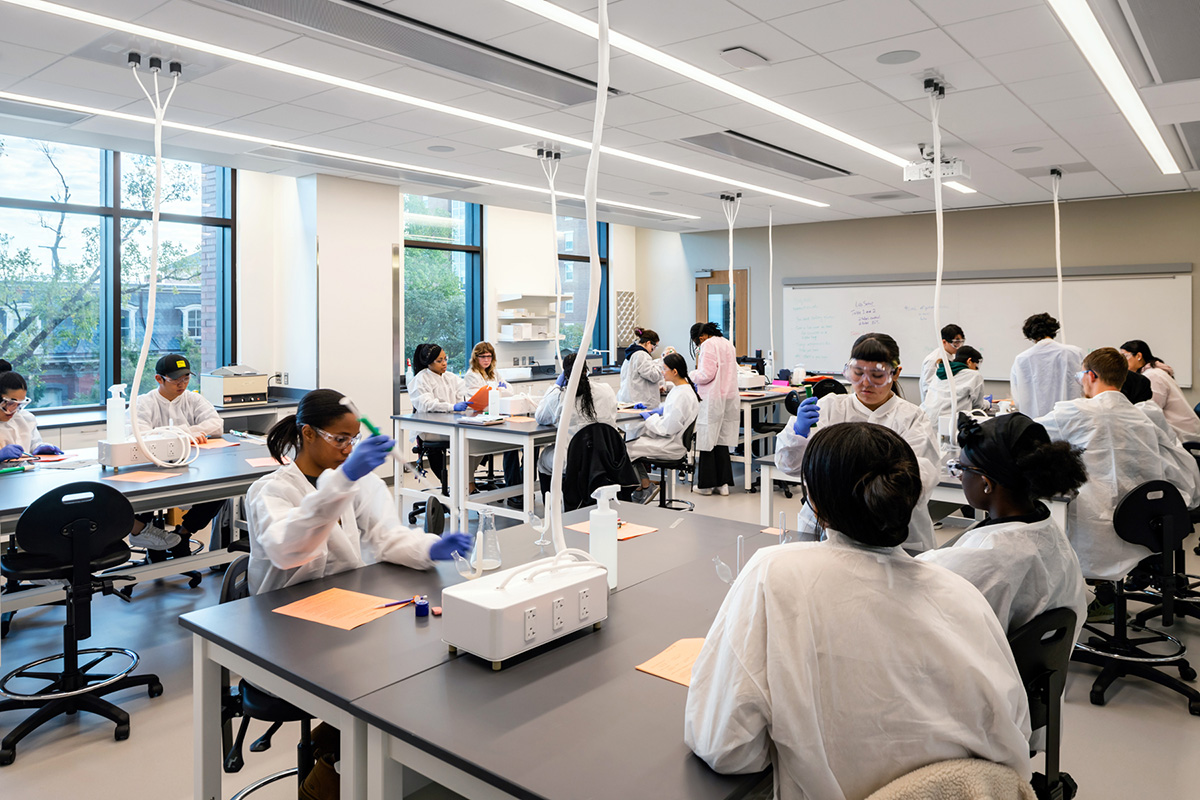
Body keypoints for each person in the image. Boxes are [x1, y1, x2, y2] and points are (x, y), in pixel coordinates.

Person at [685, 423, 1032, 800]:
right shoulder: (961, 593)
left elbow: (726, 747)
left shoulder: (774, 574)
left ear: (814, 503)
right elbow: (1015, 727)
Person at [246, 388, 470, 594]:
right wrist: (346, 479)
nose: (349, 449)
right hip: (281, 609)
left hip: (344, 599)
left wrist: (429, 548)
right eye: (340, 439)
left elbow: (386, 537)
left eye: (353, 439)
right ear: (308, 434)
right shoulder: (271, 490)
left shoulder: (360, 482)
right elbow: (287, 551)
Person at [1034, 348, 1200, 617]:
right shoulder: (1144, 416)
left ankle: (1074, 604)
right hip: (1141, 527)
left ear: (1090, 375)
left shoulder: (1075, 412)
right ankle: (1108, 598)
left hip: (1096, 529)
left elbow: (1028, 431)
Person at [917, 413, 1089, 640]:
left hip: (989, 669)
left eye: (961, 469)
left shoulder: (984, 558)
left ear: (986, 484)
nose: (959, 477)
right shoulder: (1046, 527)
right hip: (1032, 668)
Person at [775, 333, 940, 552]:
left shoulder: (912, 418)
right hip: (827, 529)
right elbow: (790, 466)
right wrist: (798, 431)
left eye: (877, 375)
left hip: (892, 532)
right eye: (858, 373)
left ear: (896, 373)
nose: (865, 383)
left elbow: (919, 480)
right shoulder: (829, 408)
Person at [128, 354, 226, 554]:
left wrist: (184, 434)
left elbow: (216, 424)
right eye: (176, 380)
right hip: (153, 470)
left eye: (186, 378)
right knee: (148, 493)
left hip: (192, 467)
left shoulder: (193, 399)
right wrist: (187, 433)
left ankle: (183, 533)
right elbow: (139, 435)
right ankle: (146, 533)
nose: (182, 384)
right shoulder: (144, 403)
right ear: (159, 379)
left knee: (221, 490)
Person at [534, 352, 618, 494]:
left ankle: (556, 504)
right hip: (606, 456)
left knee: (543, 460)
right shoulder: (606, 390)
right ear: (586, 370)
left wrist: (555, 386)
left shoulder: (561, 395)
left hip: (573, 460)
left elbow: (541, 417)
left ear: (565, 374)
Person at [624, 353, 700, 503]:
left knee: (625, 449)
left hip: (671, 446)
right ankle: (644, 485)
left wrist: (649, 417)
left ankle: (643, 488)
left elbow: (667, 428)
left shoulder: (682, 394)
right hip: (673, 442)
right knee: (630, 445)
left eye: (664, 369)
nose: (661, 372)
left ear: (675, 371)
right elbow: (672, 412)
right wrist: (656, 411)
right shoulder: (683, 389)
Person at [462, 341, 521, 500]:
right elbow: (479, 400)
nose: (486, 360)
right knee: (474, 450)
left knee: (513, 443)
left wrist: (497, 390)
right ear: (476, 357)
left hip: (496, 416)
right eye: (483, 357)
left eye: (489, 356)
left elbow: (510, 390)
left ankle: (516, 488)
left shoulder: (494, 373)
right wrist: (499, 390)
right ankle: (468, 483)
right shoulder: (472, 375)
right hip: (477, 419)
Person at [407, 343, 468, 484]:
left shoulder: (451, 377)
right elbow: (426, 404)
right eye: (439, 361)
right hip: (431, 429)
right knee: (464, 439)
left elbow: (464, 392)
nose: (444, 363)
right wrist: (452, 406)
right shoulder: (421, 379)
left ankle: (465, 482)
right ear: (428, 362)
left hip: (452, 424)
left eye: (445, 359)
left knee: (475, 440)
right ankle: (450, 485)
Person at [689, 322, 738, 496]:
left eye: (697, 342)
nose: (698, 345)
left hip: (712, 397)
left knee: (707, 439)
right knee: (721, 440)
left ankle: (706, 485)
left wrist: (690, 375)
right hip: (728, 397)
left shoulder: (708, 344)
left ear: (701, 337)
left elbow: (706, 374)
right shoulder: (726, 343)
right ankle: (723, 484)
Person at [1120, 339, 1199, 441]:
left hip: (1182, 434)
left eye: (1125, 356)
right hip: (1176, 431)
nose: (1122, 362)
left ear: (1139, 356)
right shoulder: (1153, 372)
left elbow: (1151, 413)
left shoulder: (1152, 376)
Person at [1009, 313, 1084, 419]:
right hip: (1070, 420)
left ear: (1029, 335)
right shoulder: (1075, 353)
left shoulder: (1021, 359)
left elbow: (1018, 399)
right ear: (1054, 330)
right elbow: (1087, 386)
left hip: (1035, 424)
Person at [0, 367, 62, 460]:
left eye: (19, 404)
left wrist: (39, 447)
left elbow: (33, 444)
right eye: (11, 404)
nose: (14, 410)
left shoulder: (25, 418)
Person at [919, 344, 987, 428]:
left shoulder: (940, 372)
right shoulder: (974, 375)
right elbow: (977, 406)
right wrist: (987, 404)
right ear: (969, 361)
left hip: (925, 420)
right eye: (976, 366)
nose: (976, 369)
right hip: (949, 424)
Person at [617, 327, 665, 410]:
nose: (653, 350)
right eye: (654, 347)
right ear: (648, 343)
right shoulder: (641, 355)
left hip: (628, 399)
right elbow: (654, 375)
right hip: (640, 402)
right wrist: (662, 361)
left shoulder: (631, 355)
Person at [918, 323, 965, 402]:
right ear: (944, 342)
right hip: (935, 406)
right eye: (956, 343)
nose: (959, 346)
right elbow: (927, 388)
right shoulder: (932, 360)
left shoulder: (953, 357)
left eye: (961, 342)